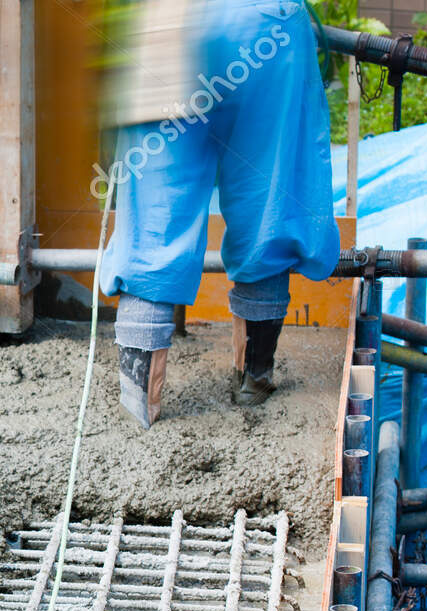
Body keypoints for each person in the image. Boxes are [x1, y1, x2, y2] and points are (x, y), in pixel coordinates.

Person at [99, 0, 341, 428]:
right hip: (267, 25)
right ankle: (254, 378)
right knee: (269, 192)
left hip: (171, 22)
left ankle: (141, 402)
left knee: (156, 206)